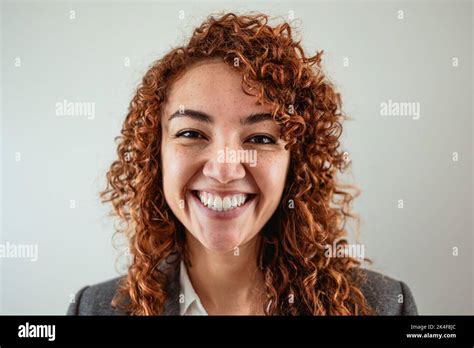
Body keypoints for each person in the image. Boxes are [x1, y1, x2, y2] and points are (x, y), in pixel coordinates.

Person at [67, 12, 418, 316]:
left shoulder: (383, 306)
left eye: (261, 138)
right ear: (155, 153)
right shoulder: (93, 309)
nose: (224, 169)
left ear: (294, 162)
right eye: (192, 133)